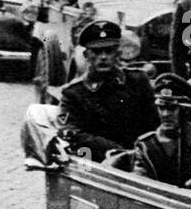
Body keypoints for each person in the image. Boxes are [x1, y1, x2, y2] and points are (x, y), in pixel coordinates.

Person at [58, 20, 158, 160]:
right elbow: (71, 132)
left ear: (118, 54)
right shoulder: (73, 93)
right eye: (97, 52)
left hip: (141, 158)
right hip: (98, 162)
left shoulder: (137, 81)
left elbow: (153, 122)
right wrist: (117, 150)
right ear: (86, 55)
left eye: (109, 51)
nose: (103, 57)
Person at [131, 73, 191, 191]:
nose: (165, 114)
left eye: (172, 108)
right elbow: (141, 187)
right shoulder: (146, 145)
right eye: (161, 107)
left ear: (185, 109)